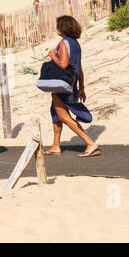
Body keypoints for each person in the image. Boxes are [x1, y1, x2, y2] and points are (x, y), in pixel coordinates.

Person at [44, 15, 101, 157]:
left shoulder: (64, 43)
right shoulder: (76, 44)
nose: (56, 29)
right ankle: (56, 146)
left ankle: (90, 143)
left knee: (63, 116)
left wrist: (52, 55)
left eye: (58, 26)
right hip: (72, 82)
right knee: (56, 113)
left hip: (62, 83)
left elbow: (63, 64)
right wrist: (81, 88)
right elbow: (80, 69)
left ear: (63, 28)